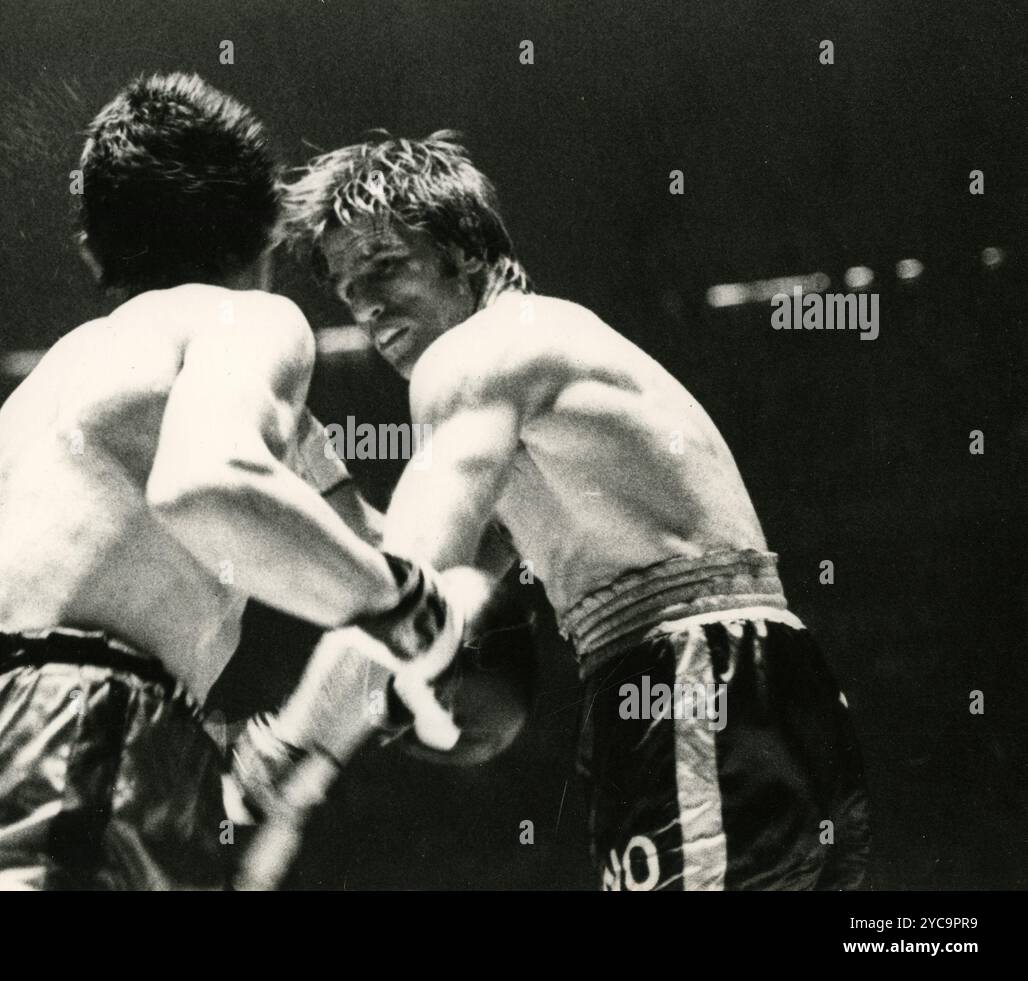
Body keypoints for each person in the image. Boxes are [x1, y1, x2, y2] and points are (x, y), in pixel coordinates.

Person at [0, 76, 479, 890]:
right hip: (94, 738)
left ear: (101, 246)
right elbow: (206, 485)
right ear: (260, 230)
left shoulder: (51, 389)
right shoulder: (246, 320)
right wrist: (419, 611)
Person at [280, 131, 871, 890]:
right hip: (770, 686)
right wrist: (314, 469)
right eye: (343, 284)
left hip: (688, 682)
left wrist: (283, 754)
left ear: (463, 251)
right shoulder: (545, 356)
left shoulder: (478, 355)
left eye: (384, 264)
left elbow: (401, 587)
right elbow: (415, 580)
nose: (363, 302)